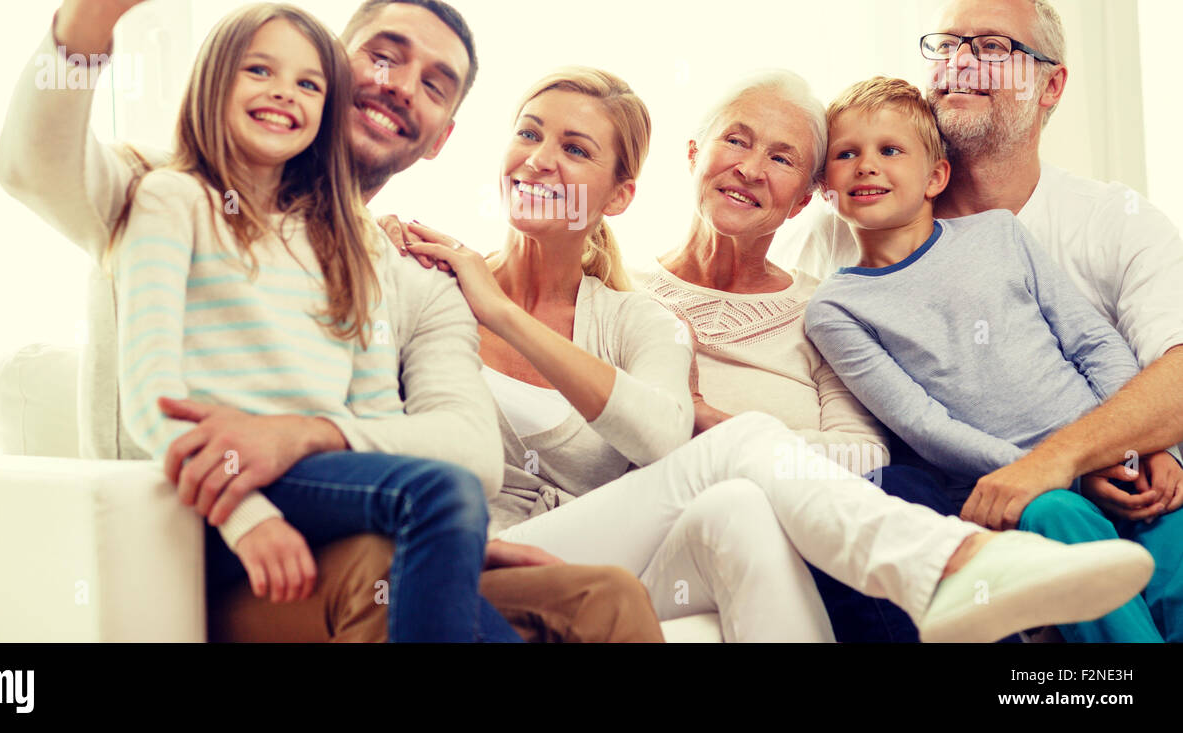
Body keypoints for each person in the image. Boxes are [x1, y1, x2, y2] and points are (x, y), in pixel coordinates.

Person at [0, 0, 662, 643]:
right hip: (199, 549)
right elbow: (29, 167)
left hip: (359, 539)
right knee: (383, 572)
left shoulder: (413, 279)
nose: (401, 84)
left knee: (607, 598)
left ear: (442, 136)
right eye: (383, 55)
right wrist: (94, 6)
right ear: (329, 66)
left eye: (436, 83)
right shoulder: (163, 191)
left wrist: (317, 436)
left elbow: (467, 452)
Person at [382, 66, 1155, 642]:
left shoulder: (646, 318)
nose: (543, 159)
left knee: (741, 501)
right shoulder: (435, 283)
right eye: (529, 132)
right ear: (695, 156)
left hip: (602, 542)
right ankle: (947, 566)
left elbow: (666, 435)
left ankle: (946, 567)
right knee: (747, 450)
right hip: (473, 544)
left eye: (782, 158)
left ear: (803, 197)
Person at [781, 0, 1183, 534]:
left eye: (994, 48)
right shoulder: (841, 231)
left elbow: (1173, 373)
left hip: (1119, 485)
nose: (960, 63)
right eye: (946, 45)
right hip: (972, 508)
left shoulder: (1114, 221)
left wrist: (1110, 451)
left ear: (1051, 86)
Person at [803, 76, 1182, 642]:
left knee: (1173, 529)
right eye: (845, 154)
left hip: (1112, 458)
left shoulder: (1000, 235)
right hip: (1020, 487)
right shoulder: (835, 308)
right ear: (823, 185)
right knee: (1058, 520)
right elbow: (924, 424)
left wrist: (1142, 447)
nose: (866, 166)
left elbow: (1093, 344)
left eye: (890, 150)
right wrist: (1057, 472)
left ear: (936, 176)